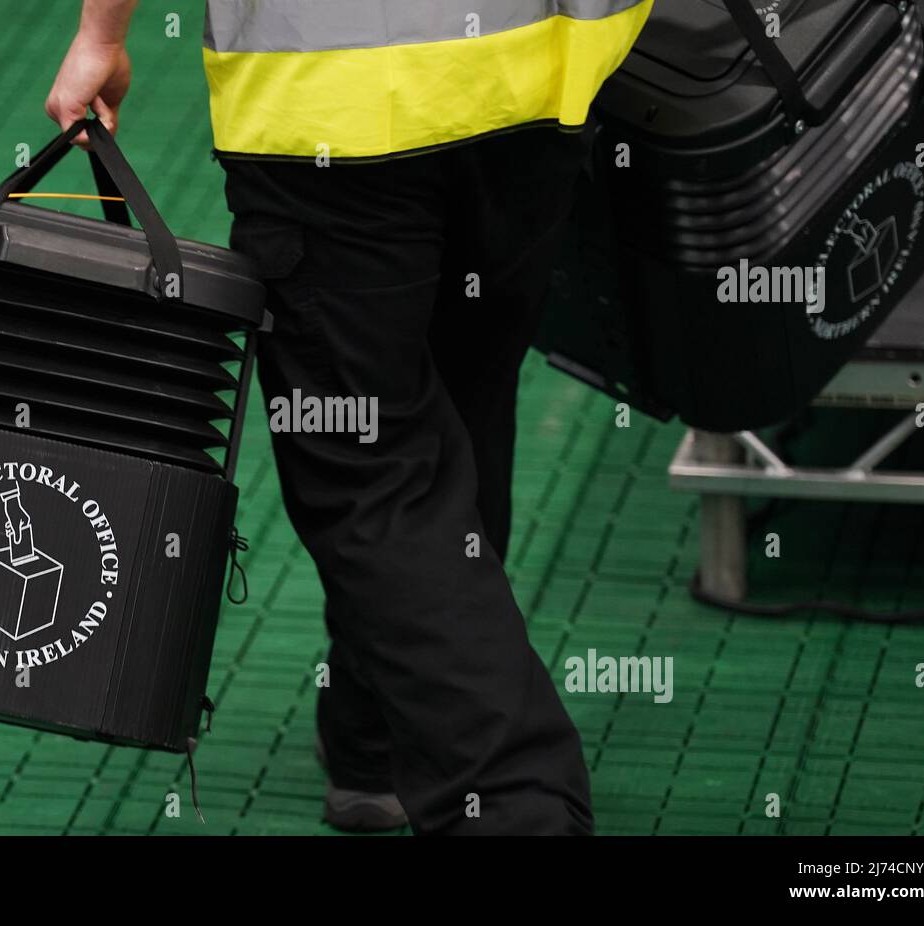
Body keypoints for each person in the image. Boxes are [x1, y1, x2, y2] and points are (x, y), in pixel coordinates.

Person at [46, 0, 653, 835]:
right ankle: (378, 738)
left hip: (331, 103)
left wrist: (102, 35)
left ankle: (516, 806)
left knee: (371, 471)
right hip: (538, 84)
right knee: (459, 406)